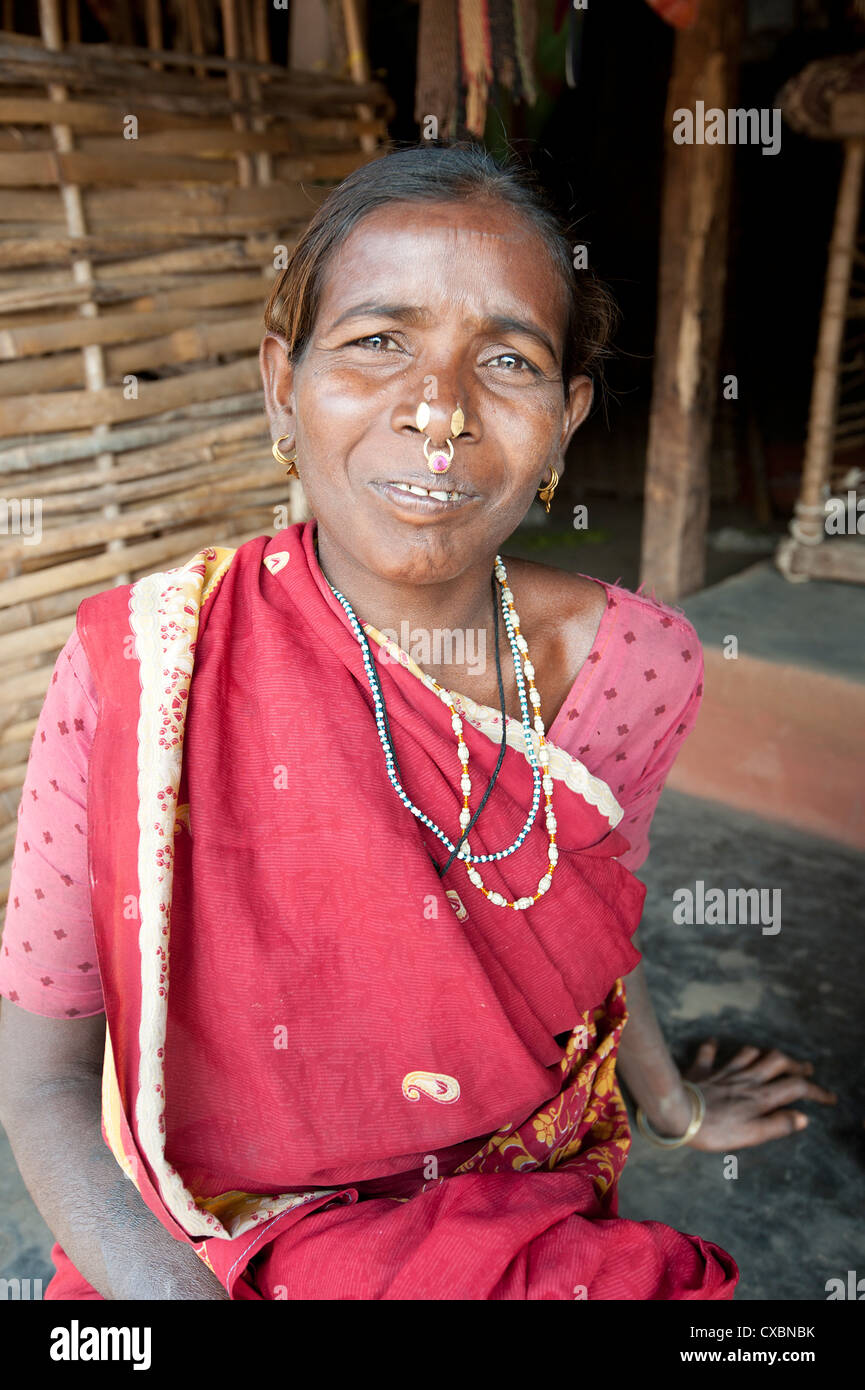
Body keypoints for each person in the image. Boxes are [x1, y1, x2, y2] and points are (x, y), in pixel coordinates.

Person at [0, 144, 834, 1301]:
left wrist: (675, 1105)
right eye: (377, 342)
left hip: (519, 1198)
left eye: (505, 359)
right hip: (220, 1234)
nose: (437, 412)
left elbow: (592, 929)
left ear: (566, 416)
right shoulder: (138, 666)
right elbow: (37, 1078)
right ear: (279, 387)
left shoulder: (631, 664)